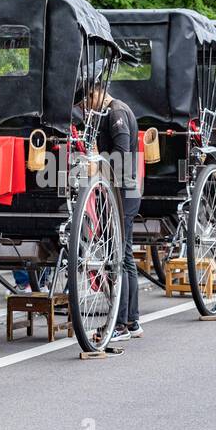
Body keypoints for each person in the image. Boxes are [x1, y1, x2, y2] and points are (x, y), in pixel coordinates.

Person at [83, 86, 141, 341]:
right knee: (124, 256)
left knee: (118, 257)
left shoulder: (115, 112)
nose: (86, 107)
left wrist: (97, 161)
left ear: (96, 93)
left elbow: (121, 155)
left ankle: (120, 324)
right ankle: (132, 320)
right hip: (122, 190)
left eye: (87, 100)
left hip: (122, 191)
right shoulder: (111, 111)